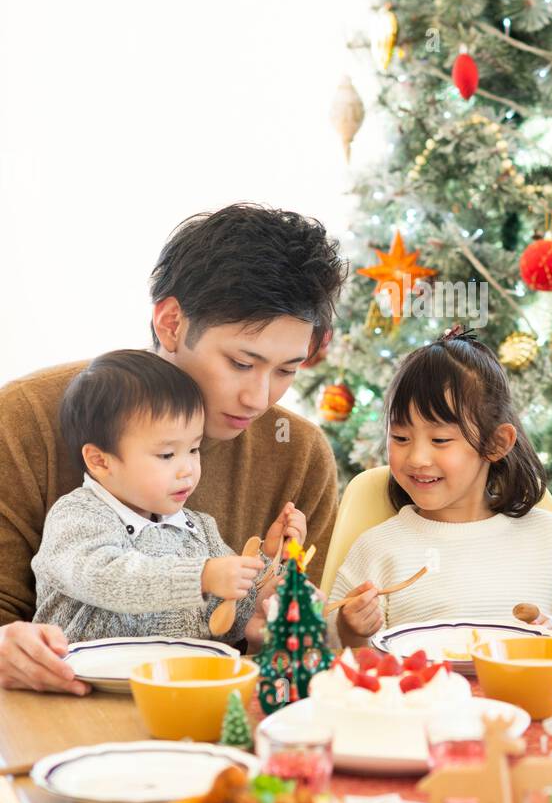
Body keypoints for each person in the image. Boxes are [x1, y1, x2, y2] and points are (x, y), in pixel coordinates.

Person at [0, 204, 345, 692]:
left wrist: (277, 599)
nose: (260, 397)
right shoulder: (25, 417)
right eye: (242, 362)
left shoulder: (301, 453)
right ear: (170, 322)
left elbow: (292, 631)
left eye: (287, 370)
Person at [329, 328, 552, 648]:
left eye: (440, 440)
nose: (417, 458)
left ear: (496, 443)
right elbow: (333, 649)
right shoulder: (378, 549)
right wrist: (351, 630)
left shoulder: (549, 539)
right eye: (400, 438)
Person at [32, 351, 305, 643]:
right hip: (82, 680)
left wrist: (268, 560)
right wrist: (201, 576)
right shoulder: (77, 514)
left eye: (193, 449)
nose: (187, 469)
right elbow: (103, 577)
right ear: (100, 461)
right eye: (166, 454)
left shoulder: (200, 530)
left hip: (177, 682)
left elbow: (225, 620)